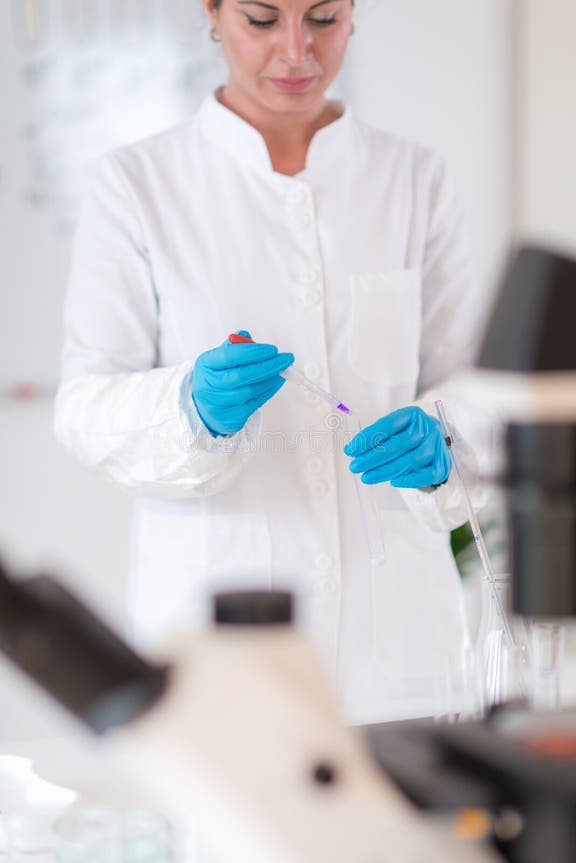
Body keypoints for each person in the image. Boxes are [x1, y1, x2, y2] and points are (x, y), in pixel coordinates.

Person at [54, 0, 489, 724]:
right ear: (214, 12)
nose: (296, 51)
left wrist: (447, 436)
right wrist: (187, 409)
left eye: (323, 18)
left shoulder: (414, 178)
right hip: (216, 649)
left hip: (398, 652)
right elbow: (82, 405)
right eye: (262, 19)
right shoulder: (137, 183)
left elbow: (473, 381)